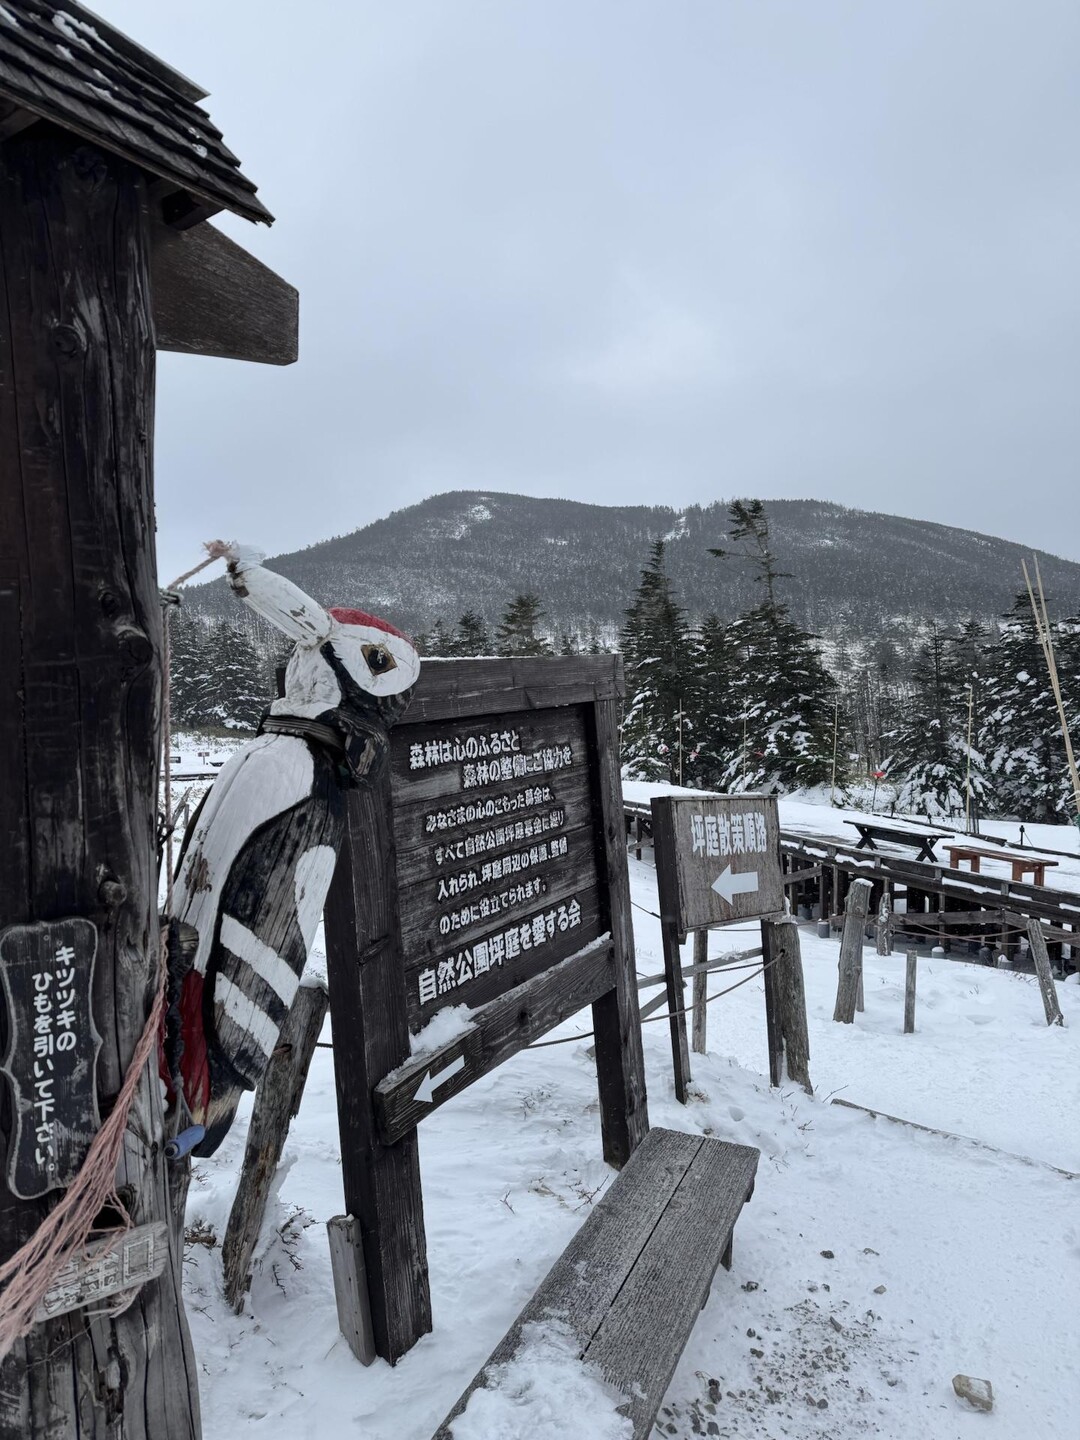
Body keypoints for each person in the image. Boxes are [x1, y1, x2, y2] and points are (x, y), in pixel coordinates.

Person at [163, 542, 419, 1155]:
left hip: (211, 1017)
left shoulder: (295, 771)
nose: (311, 645)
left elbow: (260, 913)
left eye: (372, 657)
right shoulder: (279, 757)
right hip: (182, 980)